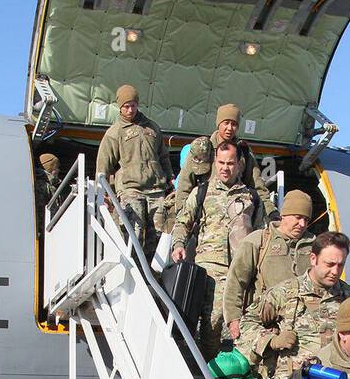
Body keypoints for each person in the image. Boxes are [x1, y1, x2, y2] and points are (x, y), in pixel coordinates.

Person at [170, 141, 266, 359]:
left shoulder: (251, 197)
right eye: (221, 163)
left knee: (238, 323)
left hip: (240, 269)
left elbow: (262, 234)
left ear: (239, 165)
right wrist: (178, 245)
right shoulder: (201, 192)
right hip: (210, 268)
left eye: (230, 163)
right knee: (211, 322)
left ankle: (225, 372)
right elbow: (182, 222)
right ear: (215, 162)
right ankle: (208, 369)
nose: (225, 168)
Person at [247, 231, 350, 379]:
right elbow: (247, 322)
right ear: (313, 259)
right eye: (329, 264)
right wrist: (271, 341)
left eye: (340, 265)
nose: (335, 271)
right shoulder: (286, 293)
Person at [225, 189, 316, 362]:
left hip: (302, 331)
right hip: (263, 326)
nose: (302, 224)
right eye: (298, 217)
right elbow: (236, 281)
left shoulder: (314, 246)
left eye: (306, 219)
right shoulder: (258, 241)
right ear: (284, 215)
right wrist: (233, 319)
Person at [96, 84, 174, 260]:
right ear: (120, 107)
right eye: (126, 106)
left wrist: (170, 177)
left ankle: (156, 277)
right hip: (131, 190)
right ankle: (133, 273)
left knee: (160, 237)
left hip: (156, 189)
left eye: (133, 105)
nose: (130, 110)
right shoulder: (114, 133)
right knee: (133, 234)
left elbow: (163, 156)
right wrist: (104, 194)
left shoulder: (152, 128)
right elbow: (103, 166)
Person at [173, 103, 276, 219]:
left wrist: (271, 213)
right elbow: (185, 183)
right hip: (204, 212)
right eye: (226, 123)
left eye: (234, 124)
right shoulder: (203, 149)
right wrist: (182, 215)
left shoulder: (243, 152)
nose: (229, 128)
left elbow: (258, 186)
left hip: (235, 212)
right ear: (218, 124)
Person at [34, 151, 61, 218]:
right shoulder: (41, 186)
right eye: (56, 167)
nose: (58, 170)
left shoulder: (50, 185)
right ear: (49, 168)